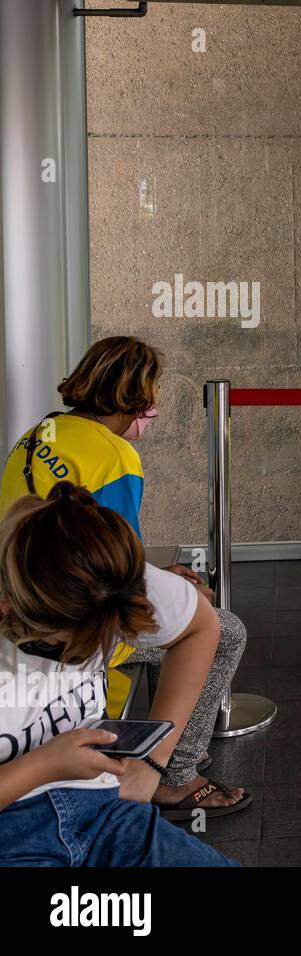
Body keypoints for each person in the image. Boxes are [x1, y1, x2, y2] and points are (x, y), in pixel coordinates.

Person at [0, 336, 250, 819]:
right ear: (133, 396)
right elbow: (112, 564)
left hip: (28, 580)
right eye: (151, 392)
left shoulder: (39, 433)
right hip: (71, 609)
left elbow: (81, 548)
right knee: (223, 631)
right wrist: (161, 584)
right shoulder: (115, 455)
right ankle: (173, 774)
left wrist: (156, 574)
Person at [0, 484, 236, 865]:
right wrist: (42, 765)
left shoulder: (97, 574)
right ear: (9, 605)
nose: (86, 657)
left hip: (105, 811)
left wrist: (154, 763)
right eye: (61, 648)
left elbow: (200, 627)